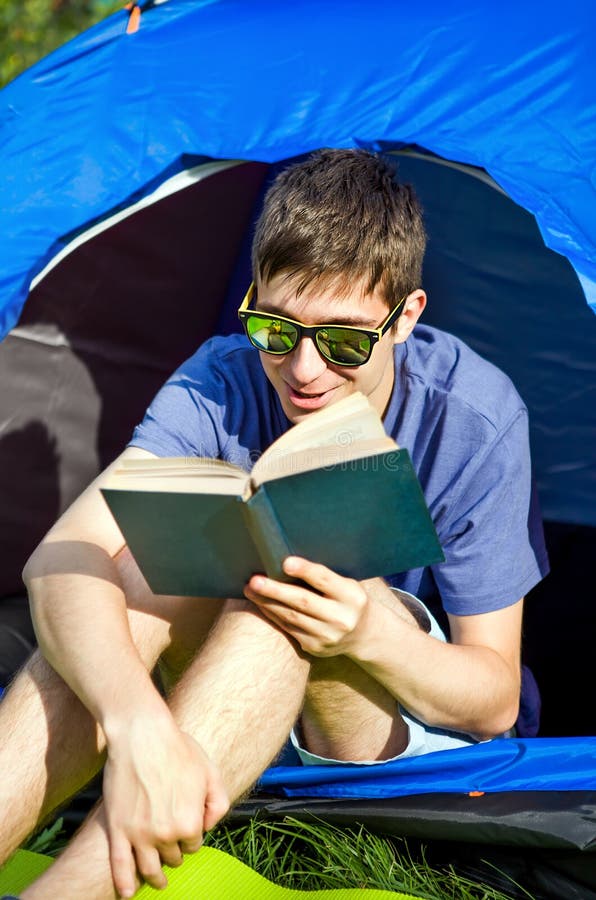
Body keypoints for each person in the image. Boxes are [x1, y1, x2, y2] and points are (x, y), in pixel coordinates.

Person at [0, 148, 548, 900]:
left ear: (406, 319)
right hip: (220, 701)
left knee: (281, 594)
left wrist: (366, 635)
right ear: (252, 299)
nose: (305, 370)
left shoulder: (475, 418)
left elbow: (495, 702)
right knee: (118, 581)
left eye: (347, 339)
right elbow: (59, 556)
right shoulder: (219, 380)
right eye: (278, 329)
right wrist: (137, 728)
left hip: (399, 727)